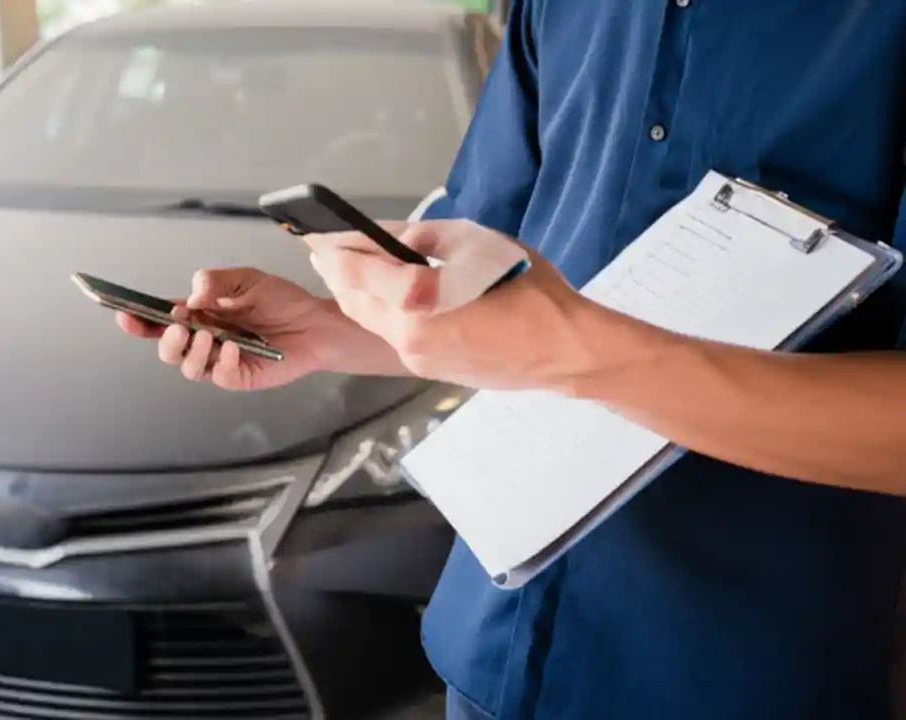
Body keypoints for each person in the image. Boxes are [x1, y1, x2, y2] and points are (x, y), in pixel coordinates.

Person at [118, 2, 906, 718]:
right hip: (498, 656)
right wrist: (327, 331)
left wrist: (582, 353)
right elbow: (493, 314)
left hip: (742, 671)